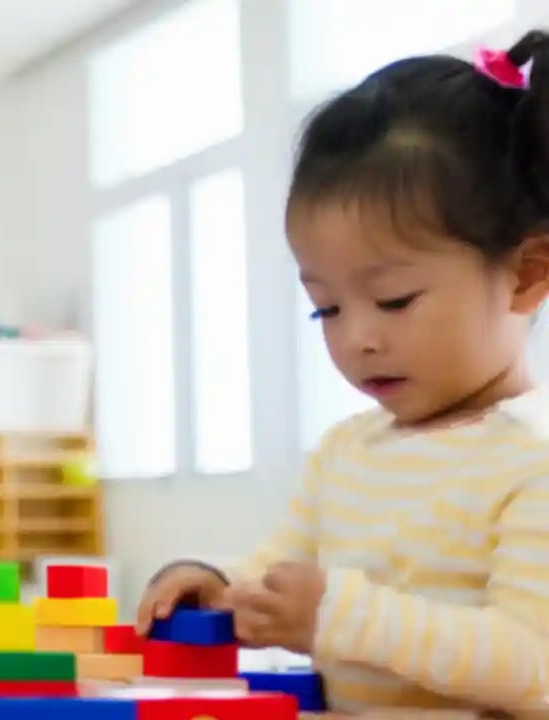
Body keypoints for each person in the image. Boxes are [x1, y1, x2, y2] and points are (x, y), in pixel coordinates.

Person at [134, 33, 549, 717]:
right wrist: (218, 585)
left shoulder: (530, 459)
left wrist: (342, 616)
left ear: (527, 274)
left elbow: (533, 664)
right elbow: (278, 574)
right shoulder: (347, 453)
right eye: (324, 308)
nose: (356, 339)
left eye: (394, 301)